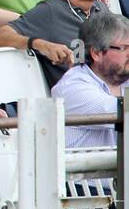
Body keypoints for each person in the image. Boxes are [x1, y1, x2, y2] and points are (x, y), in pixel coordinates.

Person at [52, 12, 129, 149]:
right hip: (80, 170)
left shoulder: (123, 78)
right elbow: (120, 110)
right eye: (124, 48)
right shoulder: (72, 88)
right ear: (97, 53)